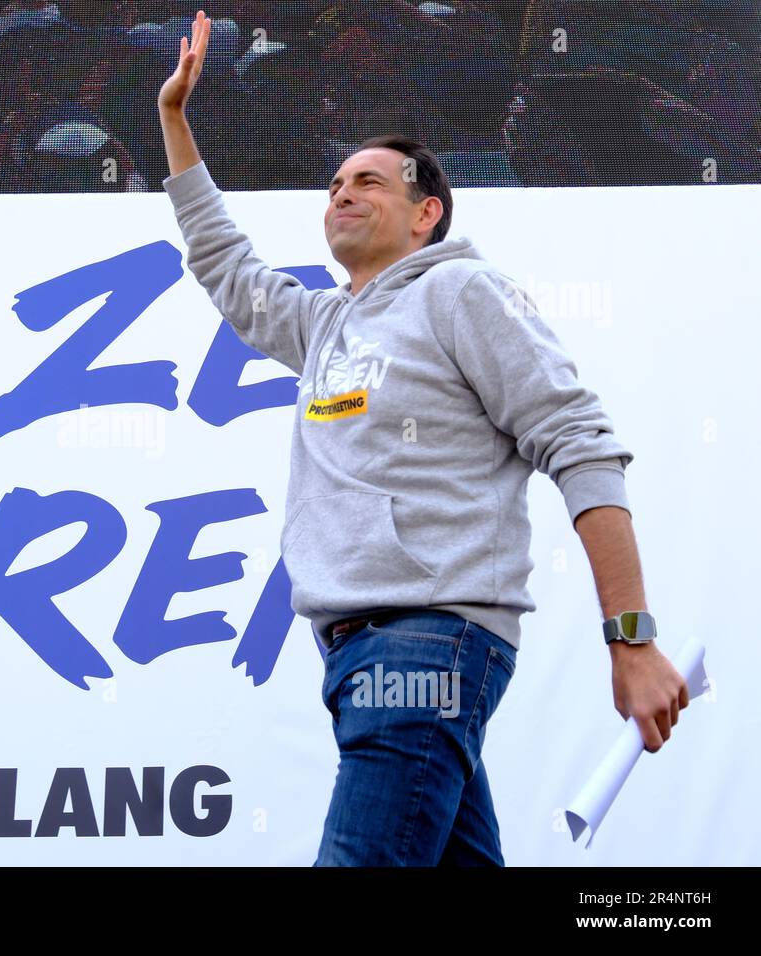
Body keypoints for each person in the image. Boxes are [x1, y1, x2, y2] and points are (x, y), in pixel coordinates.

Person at [157, 10, 689, 866]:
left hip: (426, 646)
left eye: (368, 181)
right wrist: (175, 121)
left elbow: (581, 442)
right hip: (363, 658)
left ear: (425, 213)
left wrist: (631, 638)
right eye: (334, 183)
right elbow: (226, 265)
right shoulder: (323, 323)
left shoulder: (461, 293)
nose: (342, 192)